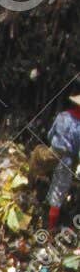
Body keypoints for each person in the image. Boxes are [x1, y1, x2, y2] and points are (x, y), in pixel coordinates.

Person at [46, 91, 80, 230]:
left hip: (51, 153)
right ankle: (51, 227)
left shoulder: (62, 116)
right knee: (58, 193)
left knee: (52, 184)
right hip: (65, 160)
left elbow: (50, 135)